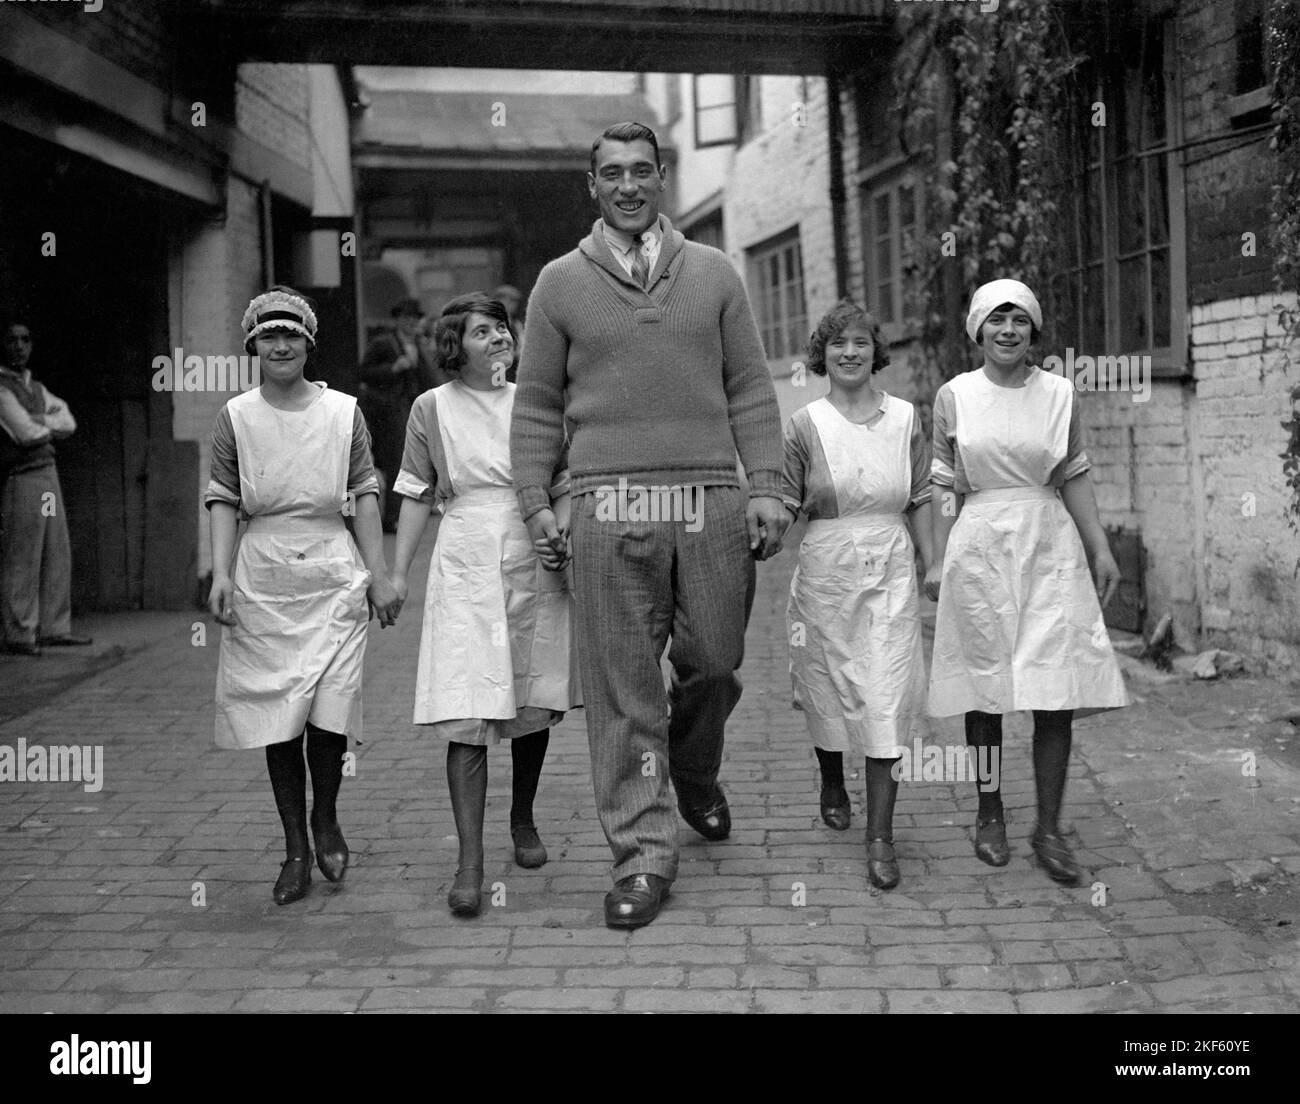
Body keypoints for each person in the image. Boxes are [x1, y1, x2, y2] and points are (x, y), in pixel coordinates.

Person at [510, 121, 788, 929]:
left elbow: (750, 386)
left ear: (662, 177)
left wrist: (766, 484)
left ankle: (693, 772)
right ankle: (644, 853)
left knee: (716, 660)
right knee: (624, 689)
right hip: (606, 501)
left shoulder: (714, 274)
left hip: (709, 498)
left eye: (641, 171)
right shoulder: (559, 283)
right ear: (591, 185)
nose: (628, 185)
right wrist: (537, 502)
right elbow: (535, 406)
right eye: (611, 174)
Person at [924, 278, 1129, 886]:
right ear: (978, 330)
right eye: (995, 320)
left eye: (1018, 320)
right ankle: (990, 814)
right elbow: (941, 482)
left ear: (1033, 330)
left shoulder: (1059, 394)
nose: (1007, 330)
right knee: (984, 687)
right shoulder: (955, 396)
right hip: (980, 539)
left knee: (1054, 688)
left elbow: (1074, 474)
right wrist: (936, 556)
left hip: (1048, 542)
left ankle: (1048, 827)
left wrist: (1100, 547)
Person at [206, 286, 400, 906]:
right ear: (252, 345)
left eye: (291, 334)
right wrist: (220, 573)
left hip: (333, 572)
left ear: (309, 342)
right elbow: (223, 497)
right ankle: (294, 845)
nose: (281, 344)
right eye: (269, 336)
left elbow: (365, 491)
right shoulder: (236, 416)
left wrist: (382, 574)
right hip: (263, 571)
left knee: (329, 710)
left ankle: (327, 818)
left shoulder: (343, 413)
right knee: (279, 715)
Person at [390, 293, 580, 918]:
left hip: (532, 550)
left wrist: (560, 535)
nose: (499, 337)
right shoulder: (432, 409)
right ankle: (470, 862)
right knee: (467, 706)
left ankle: (522, 816)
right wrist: (397, 574)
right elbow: (417, 494)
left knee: (529, 697)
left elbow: (564, 483)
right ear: (454, 347)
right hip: (466, 555)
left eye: (502, 327)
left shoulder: (538, 403)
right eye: (481, 331)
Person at [782, 301, 932, 890]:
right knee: (827, 685)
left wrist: (933, 561)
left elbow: (920, 494)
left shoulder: (905, 419)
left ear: (876, 352)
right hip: (826, 567)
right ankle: (830, 777)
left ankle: (881, 836)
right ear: (823, 354)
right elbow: (787, 503)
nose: (851, 352)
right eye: (839, 343)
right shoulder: (804, 425)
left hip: (891, 565)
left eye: (862, 342)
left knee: (885, 694)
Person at [0, 322, 91, 656]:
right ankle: (20, 633)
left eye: (25, 339)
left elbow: (68, 422)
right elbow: (26, 434)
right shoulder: (1, 388)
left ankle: (54, 628)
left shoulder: (35, 387)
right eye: (12, 340)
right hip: (22, 477)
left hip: (47, 474)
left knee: (56, 548)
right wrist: (44, 421)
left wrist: (39, 420)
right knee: (22, 554)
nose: (20, 346)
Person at [359, 297, 448, 530]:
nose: (411, 323)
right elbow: (364, 372)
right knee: (395, 462)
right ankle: (391, 517)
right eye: (406, 319)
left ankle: (415, 507)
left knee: (419, 458)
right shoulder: (384, 343)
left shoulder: (420, 345)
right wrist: (392, 368)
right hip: (389, 412)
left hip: (411, 409)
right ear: (398, 321)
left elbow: (429, 376)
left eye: (414, 319)